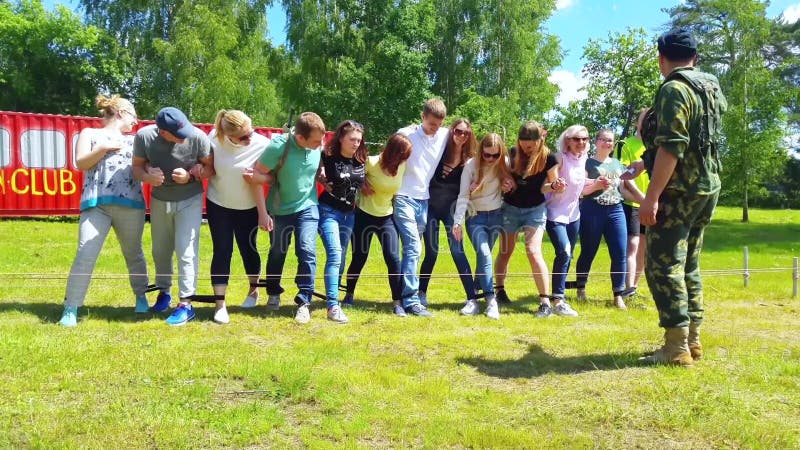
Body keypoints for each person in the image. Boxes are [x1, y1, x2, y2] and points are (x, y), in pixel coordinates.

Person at [635, 28, 727, 366]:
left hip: (679, 191)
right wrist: (644, 162)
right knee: (689, 264)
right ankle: (693, 340)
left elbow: (672, 146)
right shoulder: (710, 86)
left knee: (663, 266)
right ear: (695, 58)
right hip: (707, 186)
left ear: (662, 58)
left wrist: (651, 197)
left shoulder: (673, 89)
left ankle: (675, 348)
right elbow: (697, 139)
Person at [59, 95, 148, 327]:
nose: (136, 121)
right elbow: (81, 163)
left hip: (131, 206)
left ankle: (141, 296)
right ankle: (71, 307)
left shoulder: (137, 140)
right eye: (133, 115)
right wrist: (103, 148)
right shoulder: (90, 134)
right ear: (121, 113)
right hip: (96, 205)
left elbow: (145, 168)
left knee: (133, 253)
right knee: (85, 253)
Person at [133, 107, 213, 326]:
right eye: (178, 135)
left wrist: (191, 176)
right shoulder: (145, 137)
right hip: (159, 200)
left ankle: (186, 303)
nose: (184, 137)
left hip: (190, 199)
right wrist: (147, 176)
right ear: (162, 132)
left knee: (186, 250)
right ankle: (164, 292)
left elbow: (210, 168)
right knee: (160, 250)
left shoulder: (197, 136)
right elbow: (137, 168)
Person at [244, 112, 326, 324]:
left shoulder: (317, 146)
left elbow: (315, 166)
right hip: (279, 210)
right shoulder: (278, 147)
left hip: (308, 207)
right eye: (316, 141)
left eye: (322, 140)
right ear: (300, 138)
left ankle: (304, 301)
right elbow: (255, 177)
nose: (320, 145)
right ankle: (273, 293)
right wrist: (263, 213)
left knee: (307, 251)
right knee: (277, 253)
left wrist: (322, 174)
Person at [206, 110, 272, 324]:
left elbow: (273, 177)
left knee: (248, 249)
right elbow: (207, 166)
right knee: (222, 251)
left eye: (251, 132)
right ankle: (220, 305)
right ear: (228, 135)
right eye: (243, 137)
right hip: (218, 204)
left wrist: (259, 178)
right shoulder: (213, 139)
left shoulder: (263, 144)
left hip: (248, 208)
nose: (249, 138)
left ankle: (254, 290)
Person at [493, 121, 560, 316]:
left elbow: (549, 186)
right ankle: (499, 291)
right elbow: (504, 176)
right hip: (510, 208)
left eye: (530, 146)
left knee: (533, 251)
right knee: (505, 251)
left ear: (540, 140)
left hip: (535, 210)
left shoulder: (549, 158)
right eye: (523, 145)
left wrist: (555, 186)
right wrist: (506, 183)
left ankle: (545, 302)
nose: (526, 149)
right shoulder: (513, 153)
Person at [344, 134, 412, 316]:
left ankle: (397, 302)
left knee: (393, 258)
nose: (405, 159)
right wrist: (362, 183)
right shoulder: (371, 162)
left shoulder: (402, 166)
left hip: (386, 217)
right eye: (403, 155)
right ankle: (349, 295)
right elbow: (352, 173)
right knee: (359, 257)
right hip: (364, 216)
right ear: (393, 152)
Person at [394, 99, 449, 317]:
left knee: (412, 252)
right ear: (422, 116)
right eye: (432, 123)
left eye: (439, 124)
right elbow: (387, 159)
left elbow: (467, 139)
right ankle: (411, 300)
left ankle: (401, 295)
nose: (435, 128)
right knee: (413, 247)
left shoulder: (444, 135)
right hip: (403, 197)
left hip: (423, 200)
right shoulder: (405, 134)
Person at [418, 118, 477, 308]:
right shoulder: (439, 151)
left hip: (452, 211)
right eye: (458, 131)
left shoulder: (469, 161)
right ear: (452, 131)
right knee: (432, 252)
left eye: (466, 133)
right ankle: (421, 293)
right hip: (431, 209)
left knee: (458, 251)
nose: (461, 135)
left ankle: (471, 298)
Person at [451, 133, 511, 319]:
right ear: (480, 151)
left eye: (495, 155)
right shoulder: (471, 166)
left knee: (483, 259)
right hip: (475, 217)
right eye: (487, 155)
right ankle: (491, 300)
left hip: (496, 216)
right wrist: (457, 221)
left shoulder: (504, 163)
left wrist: (508, 185)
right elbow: (463, 195)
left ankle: (474, 299)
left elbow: (512, 184)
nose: (491, 159)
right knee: (484, 254)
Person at [573, 130, 630, 310]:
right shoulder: (587, 162)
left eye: (610, 140)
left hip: (616, 210)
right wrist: (596, 185)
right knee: (588, 251)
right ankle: (581, 288)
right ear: (596, 142)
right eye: (603, 140)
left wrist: (647, 201)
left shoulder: (618, 164)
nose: (607, 143)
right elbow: (581, 190)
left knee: (620, 252)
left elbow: (625, 190)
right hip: (593, 210)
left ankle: (618, 295)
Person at [318, 120, 367, 323]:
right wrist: (319, 175)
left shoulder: (361, 160)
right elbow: (310, 159)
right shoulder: (327, 157)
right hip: (328, 211)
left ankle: (334, 298)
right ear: (341, 138)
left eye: (359, 140)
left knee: (342, 257)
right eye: (352, 139)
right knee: (335, 254)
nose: (356, 143)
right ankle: (332, 306)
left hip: (349, 215)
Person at [544, 125, 589, 318]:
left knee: (567, 256)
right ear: (567, 140)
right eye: (576, 139)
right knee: (564, 252)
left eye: (585, 139)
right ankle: (558, 300)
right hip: (555, 213)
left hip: (573, 215)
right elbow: (545, 186)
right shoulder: (559, 158)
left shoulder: (584, 159)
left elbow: (581, 190)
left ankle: (558, 296)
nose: (581, 142)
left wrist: (598, 184)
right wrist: (555, 186)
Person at [617, 109, 651, 296]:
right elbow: (623, 176)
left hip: (651, 204)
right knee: (633, 245)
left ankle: (633, 289)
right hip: (632, 203)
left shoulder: (656, 147)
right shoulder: (625, 144)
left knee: (644, 249)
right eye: (643, 119)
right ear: (637, 122)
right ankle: (627, 288)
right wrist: (642, 199)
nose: (646, 124)